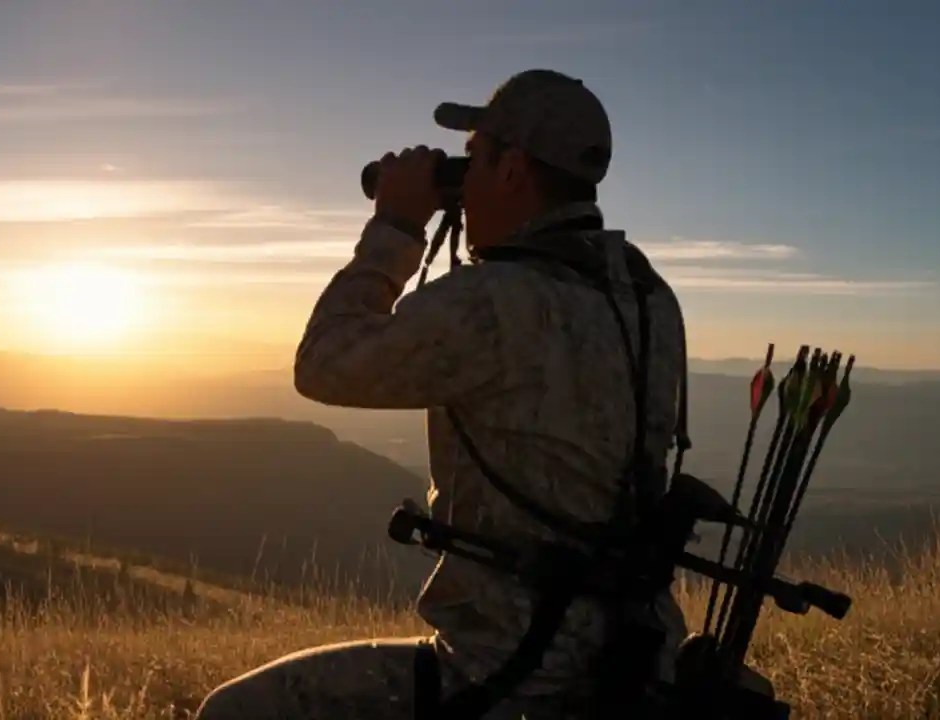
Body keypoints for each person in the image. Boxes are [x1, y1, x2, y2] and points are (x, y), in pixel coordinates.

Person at [194, 69, 692, 720]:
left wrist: (397, 227)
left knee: (235, 713)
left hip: (513, 663)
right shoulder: (650, 299)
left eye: (475, 157)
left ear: (512, 172)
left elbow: (323, 364)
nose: (464, 174)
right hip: (639, 653)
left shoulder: (493, 300)